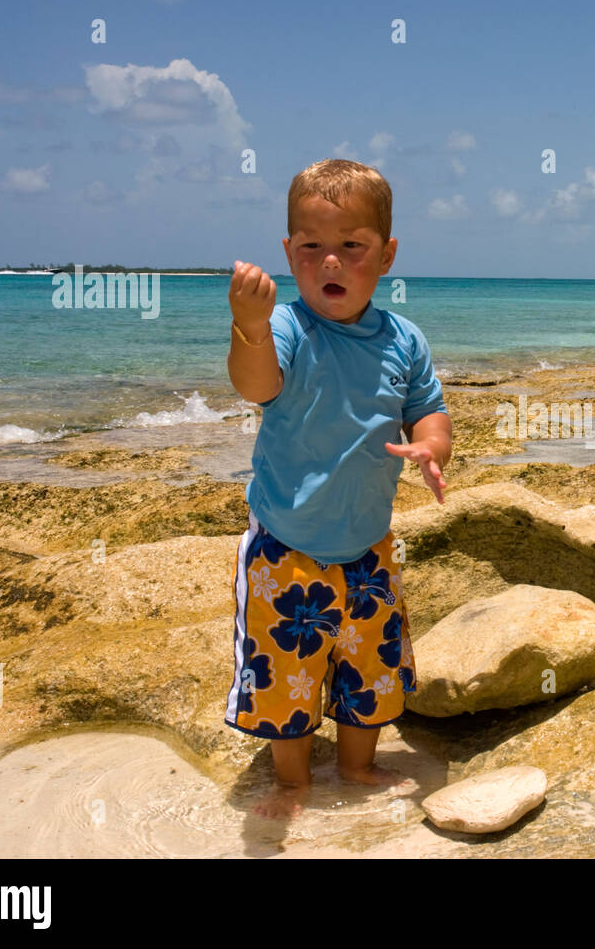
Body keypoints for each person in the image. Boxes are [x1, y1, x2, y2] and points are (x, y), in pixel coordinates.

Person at [223, 159, 452, 819]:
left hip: (369, 549)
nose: (332, 262)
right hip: (285, 548)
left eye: (352, 246)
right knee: (283, 678)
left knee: (372, 671)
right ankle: (291, 782)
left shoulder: (404, 341)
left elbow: (429, 410)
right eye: (312, 247)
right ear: (289, 253)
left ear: (386, 255)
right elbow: (257, 386)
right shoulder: (289, 328)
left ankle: (357, 765)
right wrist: (249, 325)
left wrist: (433, 445)